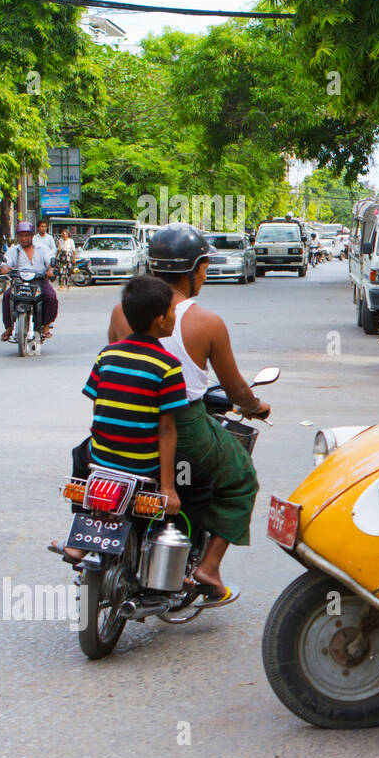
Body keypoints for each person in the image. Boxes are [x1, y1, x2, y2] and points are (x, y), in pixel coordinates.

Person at [106, 223, 270, 606]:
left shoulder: (121, 310)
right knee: (242, 478)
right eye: (204, 267)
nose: (205, 275)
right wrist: (256, 407)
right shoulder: (206, 322)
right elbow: (237, 391)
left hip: (128, 423)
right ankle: (208, 569)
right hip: (186, 426)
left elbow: (120, 365)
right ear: (193, 269)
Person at [61, 278, 186, 561]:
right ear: (160, 319)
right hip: (142, 463)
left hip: (101, 459)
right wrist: (168, 488)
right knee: (193, 480)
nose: (176, 317)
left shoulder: (106, 355)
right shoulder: (168, 366)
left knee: (80, 455)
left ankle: (80, 532)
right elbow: (167, 431)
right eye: (174, 312)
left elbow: (98, 406)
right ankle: (174, 559)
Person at [0, 221, 58, 340]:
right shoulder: (13, 250)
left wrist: (50, 270)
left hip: (39, 281)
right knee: (6, 296)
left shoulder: (43, 249)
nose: (24, 238)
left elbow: (50, 262)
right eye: (21, 236)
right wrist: (4, 268)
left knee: (51, 297)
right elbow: (5, 263)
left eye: (26, 235)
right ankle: (9, 328)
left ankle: (46, 326)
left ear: (32, 236)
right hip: (19, 282)